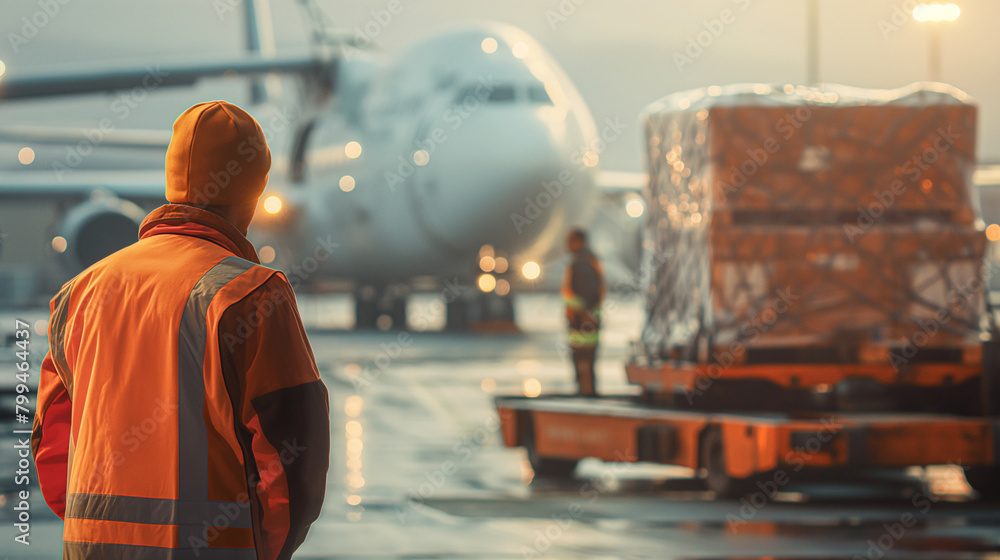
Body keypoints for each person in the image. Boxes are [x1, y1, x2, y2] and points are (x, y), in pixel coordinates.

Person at [31, 101, 330, 559]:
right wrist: (263, 548)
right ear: (256, 188)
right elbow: (293, 451)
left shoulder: (80, 293)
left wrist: (94, 522)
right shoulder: (252, 293)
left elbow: (52, 436)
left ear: (172, 183)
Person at [561, 228, 605, 396]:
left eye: (570, 241)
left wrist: (583, 312)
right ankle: (587, 390)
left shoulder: (582, 262)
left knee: (582, 358)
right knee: (587, 359)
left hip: (581, 321)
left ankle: (585, 393)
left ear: (578, 241)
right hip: (586, 320)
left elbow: (588, 291)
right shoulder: (590, 260)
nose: (567, 245)